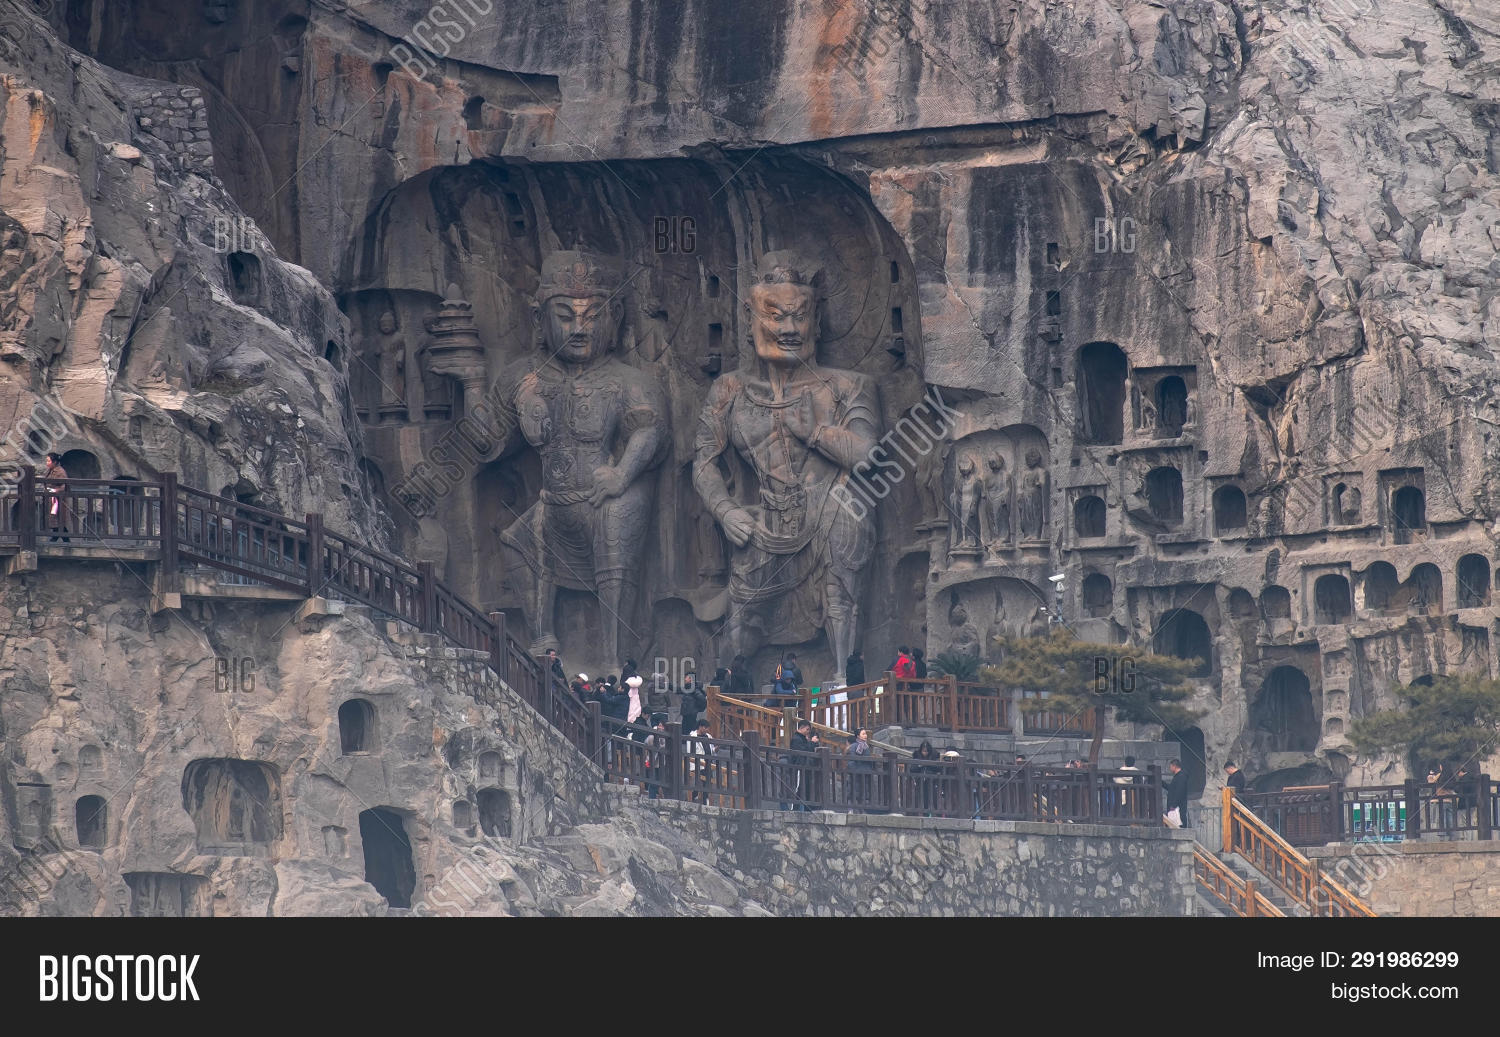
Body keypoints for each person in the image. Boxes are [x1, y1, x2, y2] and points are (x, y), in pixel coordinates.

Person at [784, 719, 817, 810]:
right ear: (801, 728)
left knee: (802, 789)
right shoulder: (796, 739)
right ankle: (793, 808)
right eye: (807, 729)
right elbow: (803, 751)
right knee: (797, 788)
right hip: (798, 766)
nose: (808, 732)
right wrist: (812, 742)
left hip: (803, 767)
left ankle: (798, 808)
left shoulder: (801, 738)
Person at [42, 452, 72, 543]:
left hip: (59, 499)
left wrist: (56, 490)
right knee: (55, 519)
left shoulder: (60, 471)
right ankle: (57, 537)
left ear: (54, 462)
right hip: (52, 498)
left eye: (48, 461)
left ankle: (62, 539)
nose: (47, 463)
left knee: (60, 519)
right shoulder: (50, 470)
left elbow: (64, 486)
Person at [686, 719, 715, 803]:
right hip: (698, 764)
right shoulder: (692, 737)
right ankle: (703, 800)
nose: (707, 730)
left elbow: (711, 749)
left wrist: (715, 750)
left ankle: (701, 799)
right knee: (702, 783)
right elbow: (690, 752)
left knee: (708, 782)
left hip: (709, 763)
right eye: (706, 728)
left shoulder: (708, 736)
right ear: (701, 727)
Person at [847, 728, 875, 812]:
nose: (865, 735)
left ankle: (861, 809)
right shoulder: (854, 746)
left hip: (864, 772)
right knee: (853, 791)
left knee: (862, 792)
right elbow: (852, 760)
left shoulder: (866, 746)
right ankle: (851, 809)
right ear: (858, 736)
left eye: (865, 734)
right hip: (856, 772)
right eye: (863, 734)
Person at [910, 741, 940, 816]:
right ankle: (922, 813)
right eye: (923, 751)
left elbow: (938, 767)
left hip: (931, 780)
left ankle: (935, 813)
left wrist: (928, 764)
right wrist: (920, 765)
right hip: (920, 780)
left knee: (933, 797)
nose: (925, 753)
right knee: (921, 797)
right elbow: (912, 768)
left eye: (926, 751)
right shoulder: (917, 756)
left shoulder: (934, 756)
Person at [1165, 758, 1190, 828]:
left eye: (1170, 767)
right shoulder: (1178, 777)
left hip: (1178, 806)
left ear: (1174, 766)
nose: (1170, 769)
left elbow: (1179, 792)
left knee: (1180, 823)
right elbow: (1171, 789)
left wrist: (1174, 804)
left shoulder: (1181, 776)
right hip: (1176, 806)